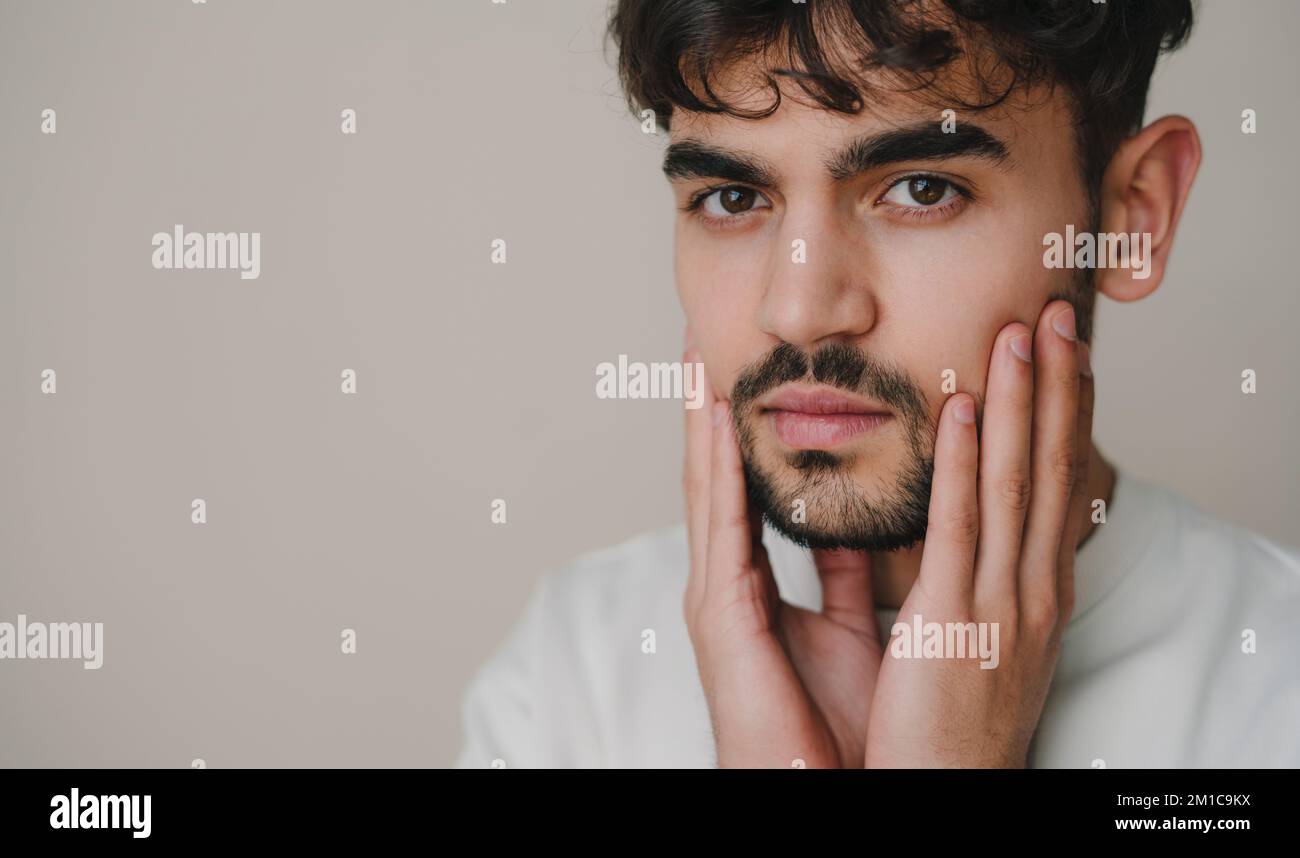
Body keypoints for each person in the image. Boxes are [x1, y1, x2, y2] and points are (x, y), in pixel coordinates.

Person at [455, 0, 1300, 767]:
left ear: (1130, 216)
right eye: (732, 196)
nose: (797, 311)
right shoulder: (566, 683)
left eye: (921, 188)